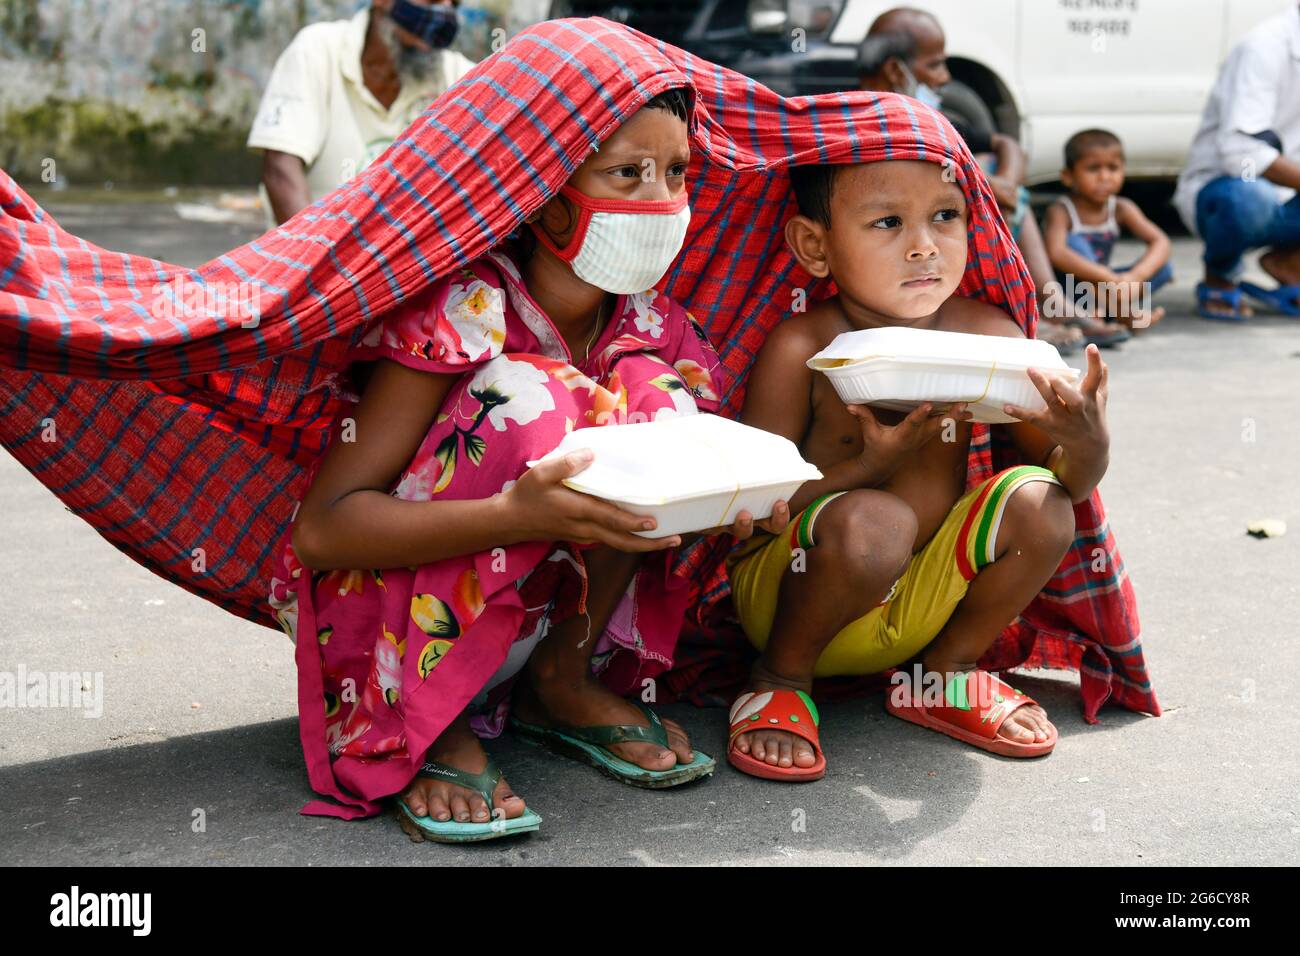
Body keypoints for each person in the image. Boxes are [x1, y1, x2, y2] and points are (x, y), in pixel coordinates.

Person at [271, 88, 789, 839]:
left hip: (536, 621)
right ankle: (426, 718)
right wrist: (515, 518)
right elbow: (322, 533)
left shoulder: (654, 326)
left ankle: (562, 680)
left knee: (665, 415)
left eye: (676, 173)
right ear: (545, 199)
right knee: (527, 395)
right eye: (627, 174)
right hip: (384, 625)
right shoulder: (465, 309)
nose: (663, 199)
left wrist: (729, 509)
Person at [724, 157, 1112, 780]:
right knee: (879, 517)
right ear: (814, 245)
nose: (924, 247)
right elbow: (749, 508)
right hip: (790, 601)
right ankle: (779, 679)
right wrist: (868, 465)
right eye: (887, 222)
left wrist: (1090, 440)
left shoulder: (989, 336)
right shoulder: (802, 346)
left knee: (1041, 501)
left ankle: (946, 672)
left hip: (921, 602)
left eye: (944, 216)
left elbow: (1071, 482)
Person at [856, 7, 1102, 352]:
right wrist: (986, 186)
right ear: (896, 70)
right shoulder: (867, 123)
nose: (944, 78)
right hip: (899, 258)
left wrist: (1006, 184)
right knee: (969, 182)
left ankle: (1051, 304)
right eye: (935, 65)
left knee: (988, 168)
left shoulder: (931, 120)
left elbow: (1005, 144)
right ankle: (1033, 312)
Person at [248, 0, 475, 225]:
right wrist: (312, 254)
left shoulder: (461, 79)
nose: (445, 10)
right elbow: (281, 167)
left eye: (454, 4)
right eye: (432, 0)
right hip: (320, 249)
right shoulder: (317, 51)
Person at [1173, 3, 1300, 321]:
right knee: (1249, 197)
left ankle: (1290, 263)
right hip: (1227, 190)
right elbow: (1241, 154)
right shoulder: (1264, 47)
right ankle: (1220, 274)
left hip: (1289, 195)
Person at [1043, 129, 1172, 331]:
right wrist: (1107, 277)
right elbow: (1056, 252)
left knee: (1163, 268)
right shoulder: (1062, 210)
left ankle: (1106, 310)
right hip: (1070, 289)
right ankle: (1121, 313)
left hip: (1110, 287)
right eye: (1093, 169)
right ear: (1068, 176)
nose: (1104, 177)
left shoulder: (1121, 208)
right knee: (1074, 243)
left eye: (1113, 168)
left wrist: (1134, 277)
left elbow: (1160, 241)